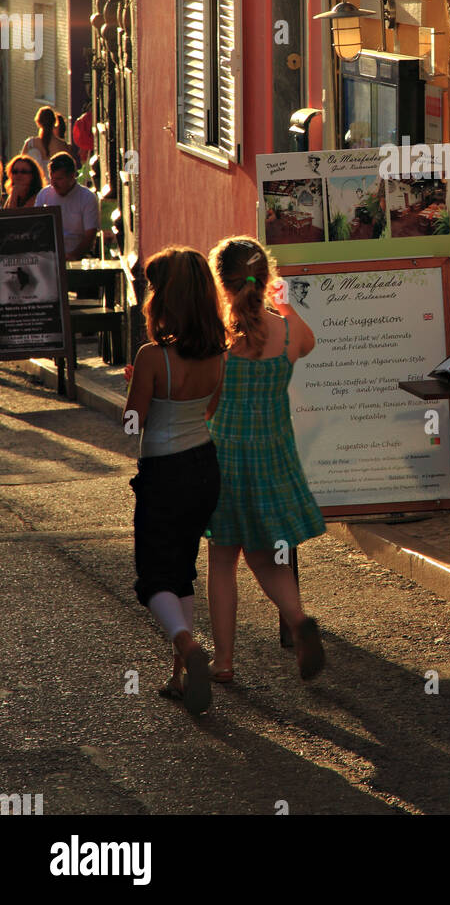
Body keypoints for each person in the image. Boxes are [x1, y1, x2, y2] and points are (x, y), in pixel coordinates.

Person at [206, 236, 326, 684]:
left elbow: (206, 403)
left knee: (222, 560)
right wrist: (286, 306)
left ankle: (224, 661)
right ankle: (296, 619)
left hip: (224, 459)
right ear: (267, 277)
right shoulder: (288, 332)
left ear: (222, 282)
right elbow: (310, 342)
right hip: (274, 457)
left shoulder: (216, 339)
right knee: (264, 555)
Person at [124, 248, 226, 714]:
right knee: (183, 567)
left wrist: (133, 389)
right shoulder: (219, 355)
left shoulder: (151, 356)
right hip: (204, 467)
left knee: (154, 577)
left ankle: (188, 645)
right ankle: (179, 678)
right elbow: (207, 411)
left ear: (164, 299)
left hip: (163, 471)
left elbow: (132, 426)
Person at [34, 153, 99, 259]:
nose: (54, 184)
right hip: (48, 257)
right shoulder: (44, 194)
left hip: (78, 257)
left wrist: (72, 256)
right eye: (52, 179)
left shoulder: (87, 197)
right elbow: (35, 228)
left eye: (59, 179)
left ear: (72, 176)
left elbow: (90, 235)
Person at [20, 106, 68, 177]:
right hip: (55, 186)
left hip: (34, 186)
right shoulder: (62, 145)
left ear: (38, 123)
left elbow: (21, 166)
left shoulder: (30, 144)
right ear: (55, 122)